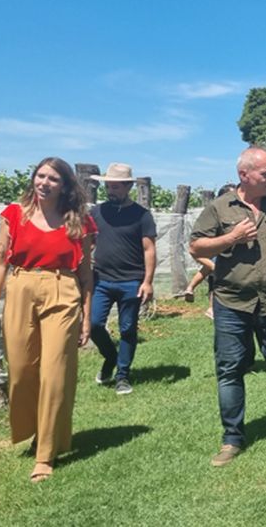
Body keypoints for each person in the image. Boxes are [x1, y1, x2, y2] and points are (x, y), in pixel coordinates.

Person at [0, 157, 96, 483]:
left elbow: (86, 274)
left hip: (63, 289)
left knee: (55, 372)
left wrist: (87, 316)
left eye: (53, 179)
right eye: (40, 176)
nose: (44, 182)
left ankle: (45, 454)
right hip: (21, 287)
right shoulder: (14, 215)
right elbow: (0, 262)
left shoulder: (78, 222)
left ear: (65, 186)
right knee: (20, 370)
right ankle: (35, 430)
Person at [189, 147, 266, 467]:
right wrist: (232, 238)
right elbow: (196, 245)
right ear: (245, 175)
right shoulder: (219, 208)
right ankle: (232, 438)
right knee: (229, 369)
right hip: (231, 302)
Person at [88, 163, 157, 395]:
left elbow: (149, 249)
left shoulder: (141, 215)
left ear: (128, 187)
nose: (111, 190)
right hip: (101, 279)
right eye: (108, 186)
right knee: (94, 324)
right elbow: (87, 242)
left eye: (116, 186)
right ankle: (111, 357)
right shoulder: (97, 212)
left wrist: (147, 281)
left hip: (131, 281)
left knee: (127, 329)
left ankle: (122, 376)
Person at [180, 184, 236, 319]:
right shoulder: (214, 214)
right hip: (215, 252)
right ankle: (211, 308)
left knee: (207, 270)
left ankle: (191, 289)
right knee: (214, 273)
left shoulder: (235, 213)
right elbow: (195, 246)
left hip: (220, 253)